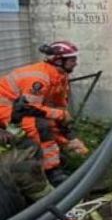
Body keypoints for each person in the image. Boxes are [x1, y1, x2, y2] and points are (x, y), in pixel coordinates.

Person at [0, 42, 89, 185]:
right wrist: (60, 116)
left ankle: (55, 160)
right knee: (40, 126)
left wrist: (69, 138)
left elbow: (59, 108)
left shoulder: (60, 76)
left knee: (50, 122)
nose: (76, 63)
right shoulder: (39, 78)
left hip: (22, 108)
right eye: (72, 60)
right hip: (6, 108)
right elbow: (30, 109)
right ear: (59, 61)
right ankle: (50, 172)